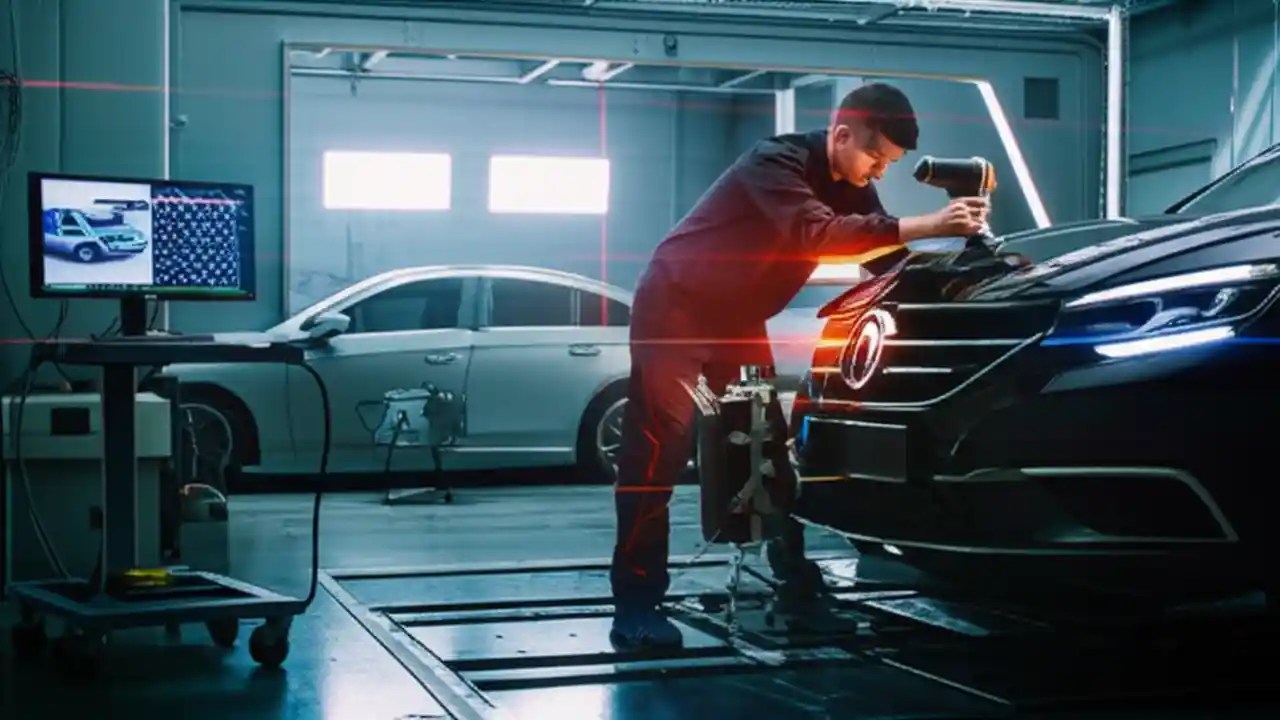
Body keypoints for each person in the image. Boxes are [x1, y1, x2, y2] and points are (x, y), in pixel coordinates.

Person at [609, 82, 990, 649]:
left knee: (761, 445)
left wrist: (977, 269)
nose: (879, 173)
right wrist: (933, 223)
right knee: (660, 445)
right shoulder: (774, 163)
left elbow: (887, 261)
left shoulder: (855, 186)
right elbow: (821, 235)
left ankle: (794, 588)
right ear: (841, 134)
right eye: (875, 157)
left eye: (888, 164)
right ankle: (635, 606)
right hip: (677, 308)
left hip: (736, 319)